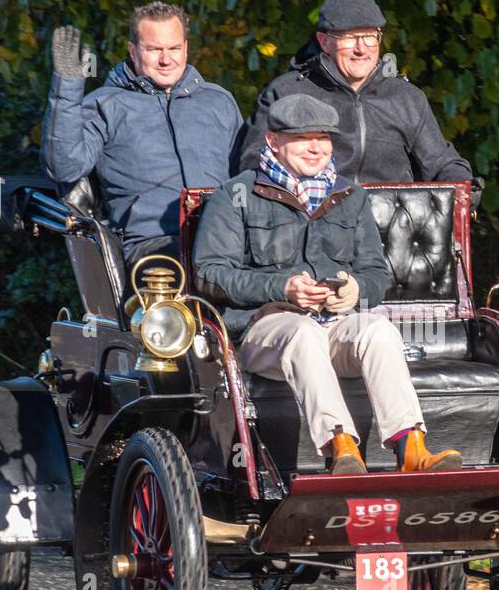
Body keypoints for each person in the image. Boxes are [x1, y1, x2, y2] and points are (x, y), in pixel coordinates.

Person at [195, 93, 462, 475]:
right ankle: (342, 448)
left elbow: (375, 273)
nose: (316, 147)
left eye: (323, 137)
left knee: (378, 329)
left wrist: (355, 291)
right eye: (304, 137)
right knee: (302, 332)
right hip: (263, 329)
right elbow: (209, 273)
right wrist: (282, 288)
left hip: (334, 325)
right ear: (273, 141)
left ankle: (412, 448)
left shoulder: (349, 196)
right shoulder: (236, 195)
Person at [233, 0, 482, 207]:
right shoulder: (285, 93)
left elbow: (442, 164)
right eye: (350, 37)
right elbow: (251, 165)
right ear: (324, 41)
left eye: (370, 36)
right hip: (311, 233)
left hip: (395, 234)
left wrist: (465, 187)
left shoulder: (406, 98)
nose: (361, 48)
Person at [41, 2, 243, 265]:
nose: (166, 59)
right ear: (132, 51)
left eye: (174, 48)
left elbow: (247, 175)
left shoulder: (219, 101)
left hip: (225, 239)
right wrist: (67, 87)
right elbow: (63, 168)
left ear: (186, 48)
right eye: (154, 49)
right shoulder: (106, 105)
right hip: (152, 247)